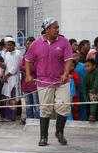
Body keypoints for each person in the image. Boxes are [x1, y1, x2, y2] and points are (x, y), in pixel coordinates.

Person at [25, 18, 73, 146]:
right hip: (44, 81)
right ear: (47, 29)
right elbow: (28, 60)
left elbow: (68, 60)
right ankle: (43, 137)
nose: (58, 30)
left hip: (62, 81)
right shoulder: (36, 44)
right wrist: (28, 74)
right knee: (45, 109)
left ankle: (59, 132)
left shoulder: (64, 42)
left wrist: (65, 73)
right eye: (55, 27)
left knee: (63, 107)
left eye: (58, 27)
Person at [0, 37, 22, 121]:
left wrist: (6, 76)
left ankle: (12, 117)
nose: (8, 47)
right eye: (7, 45)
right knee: (7, 97)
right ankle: (7, 116)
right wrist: (2, 75)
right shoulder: (6, 54)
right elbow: (4, 66)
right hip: (6, 78)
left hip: (13, 78)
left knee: (12, 97)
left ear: (14, 45)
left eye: (10, 45)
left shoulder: (17, 54)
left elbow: (14, 68)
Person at [20, 37, 40, 120]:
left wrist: (26, 67)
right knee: (28, 103)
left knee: (36, 103)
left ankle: (37, 120)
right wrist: (28, 67)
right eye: (27, 43)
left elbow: (35, 69)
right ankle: (29, 119)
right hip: (26, 82)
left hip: (34, 82)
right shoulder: (25, 55)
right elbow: (20, 66)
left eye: (30, 43)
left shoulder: (37, 55)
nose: (28, 45)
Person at [74, 50, 88, 120]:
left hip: (83, 90)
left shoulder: (83, 66)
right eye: (73, 56)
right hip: (74, 92)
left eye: (77, 56)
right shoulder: (68, 67)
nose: (75, 58)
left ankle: (83, 121)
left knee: (83, 107)